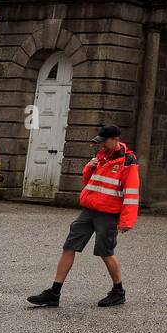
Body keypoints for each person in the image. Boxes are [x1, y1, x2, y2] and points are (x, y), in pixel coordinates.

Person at [27, 125, 140, 308]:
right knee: (69, 246)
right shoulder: (101, 157)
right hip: (88, 211)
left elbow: (132, 193)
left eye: (103, 141)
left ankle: (118, 292)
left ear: (114, 139)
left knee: (106, 252)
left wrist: (127, 221)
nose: (100, 145)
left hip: (108, 214)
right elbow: (90, 184)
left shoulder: (128, 161)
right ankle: (54, 293)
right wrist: (89, 168)